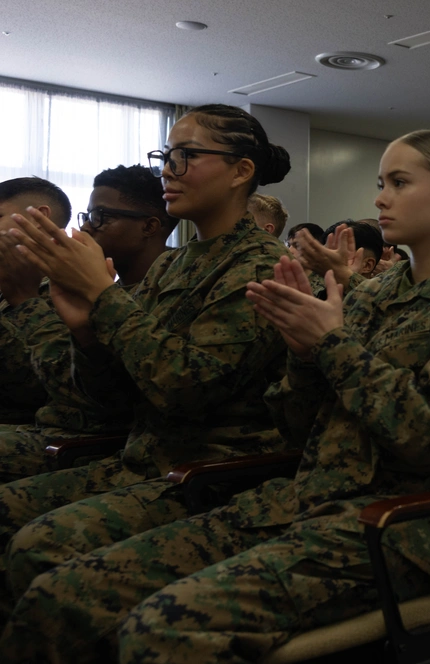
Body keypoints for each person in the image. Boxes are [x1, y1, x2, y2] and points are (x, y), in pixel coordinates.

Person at [0, 128, 430, 664]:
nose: (380, 199)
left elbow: (428, 438)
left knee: (162, 628)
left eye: (399, 183)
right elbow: (300, 432)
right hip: (307, 501)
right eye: (380, 184)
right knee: (62, 592)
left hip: (407, 529)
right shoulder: (372, 297)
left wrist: (331, 344)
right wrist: (303, 356)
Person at [0, 104, 294, 607]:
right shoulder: (170, 267)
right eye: (166, 156)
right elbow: (111, 401)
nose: (167, 171)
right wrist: (86, 333)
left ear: (240, 171)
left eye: (186, 156)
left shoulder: (263, 266)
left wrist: (105, 298)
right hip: (142, 460)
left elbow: (188, 390)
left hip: (214, 475)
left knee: (38, 548)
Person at [0, 166, 177, 484]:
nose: (84, 227)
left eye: (100, 217)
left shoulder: (149, 297)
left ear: (149, 226)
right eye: (87, 215)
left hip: (94, 443)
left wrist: (25, 300)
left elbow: (52, 390)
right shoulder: (113, 293)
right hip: (56, 430)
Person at [0, 178, 73, 427]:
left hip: (27, 427)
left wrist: (23, 298)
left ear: (37, 218)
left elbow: (37, 388)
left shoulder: (69, 287)